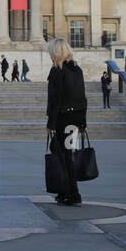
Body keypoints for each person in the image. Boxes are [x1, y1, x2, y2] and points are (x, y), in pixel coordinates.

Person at [46, 38, 87, 206]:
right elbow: (82, 97)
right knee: (63, 152)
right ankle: (66, 190)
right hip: (75, 117)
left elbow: (55, 100)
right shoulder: (77, 70)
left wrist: (51, 124)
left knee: (64, 155)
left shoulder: (57, 71)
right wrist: (83, 121)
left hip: (63, 118)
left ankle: (72, 193)